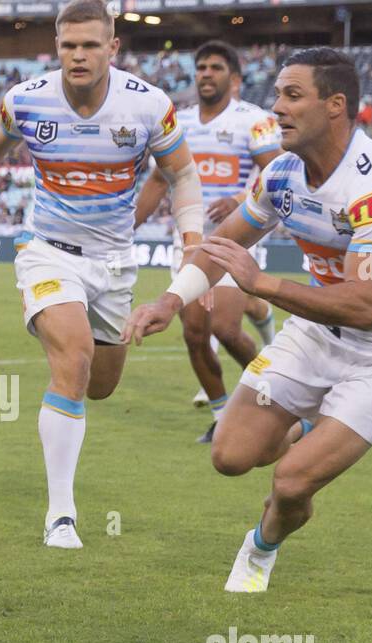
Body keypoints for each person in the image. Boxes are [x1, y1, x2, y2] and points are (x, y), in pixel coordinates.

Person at [124, 48, 372, 593]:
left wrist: (263, 284)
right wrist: (168, 303)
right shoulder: (282, 176)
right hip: (316, 338)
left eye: (293, 96)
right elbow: (223, 243)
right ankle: (308, 422)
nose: (276, 109)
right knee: (229, 455)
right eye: (276, 96)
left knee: (291, 483)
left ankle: (260, 548)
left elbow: (367, 307)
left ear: (336, 106)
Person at [0, 0, 205, 549]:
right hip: (47, 249)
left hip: (114, 260)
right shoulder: (26, 100)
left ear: (113, 47)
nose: (79, 55)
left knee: (102, 384)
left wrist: (192, 242)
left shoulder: (147, 106)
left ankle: (70, 433)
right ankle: (60, 515)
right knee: (75, 357)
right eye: (69, 46)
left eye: (91, 45)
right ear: (56, 48)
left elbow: (180, 173)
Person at [135, 40, 282, 442]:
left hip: (237, 240)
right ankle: (222, 418)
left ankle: (279, 396)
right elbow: (155, 181)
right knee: (195, 335)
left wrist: (237, 198)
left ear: (234, 79)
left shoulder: (254, 120)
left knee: (225, 328)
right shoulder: (177, 122)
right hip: (188, 243)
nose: (205, 74)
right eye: (201, 67)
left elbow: (277, 173)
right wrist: (127, 226)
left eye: (216, 68)